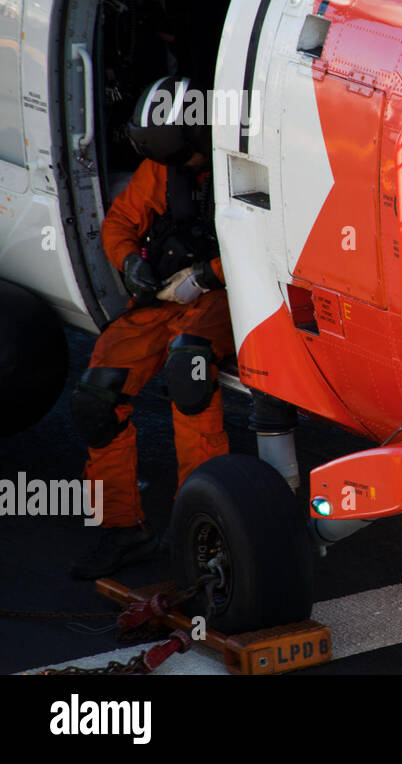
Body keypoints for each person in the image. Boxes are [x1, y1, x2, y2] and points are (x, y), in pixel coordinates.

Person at [69, 76, 233, 579]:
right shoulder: (162, 170)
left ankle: (206, 530)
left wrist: (208, 275)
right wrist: (128, 264)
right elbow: (120, 225)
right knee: (98, 398)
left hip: (227, 299)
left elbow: (276, 242)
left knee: (191, 373)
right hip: (165, 300)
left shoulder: (241, 168)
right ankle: (122, 529)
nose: (174, 167)